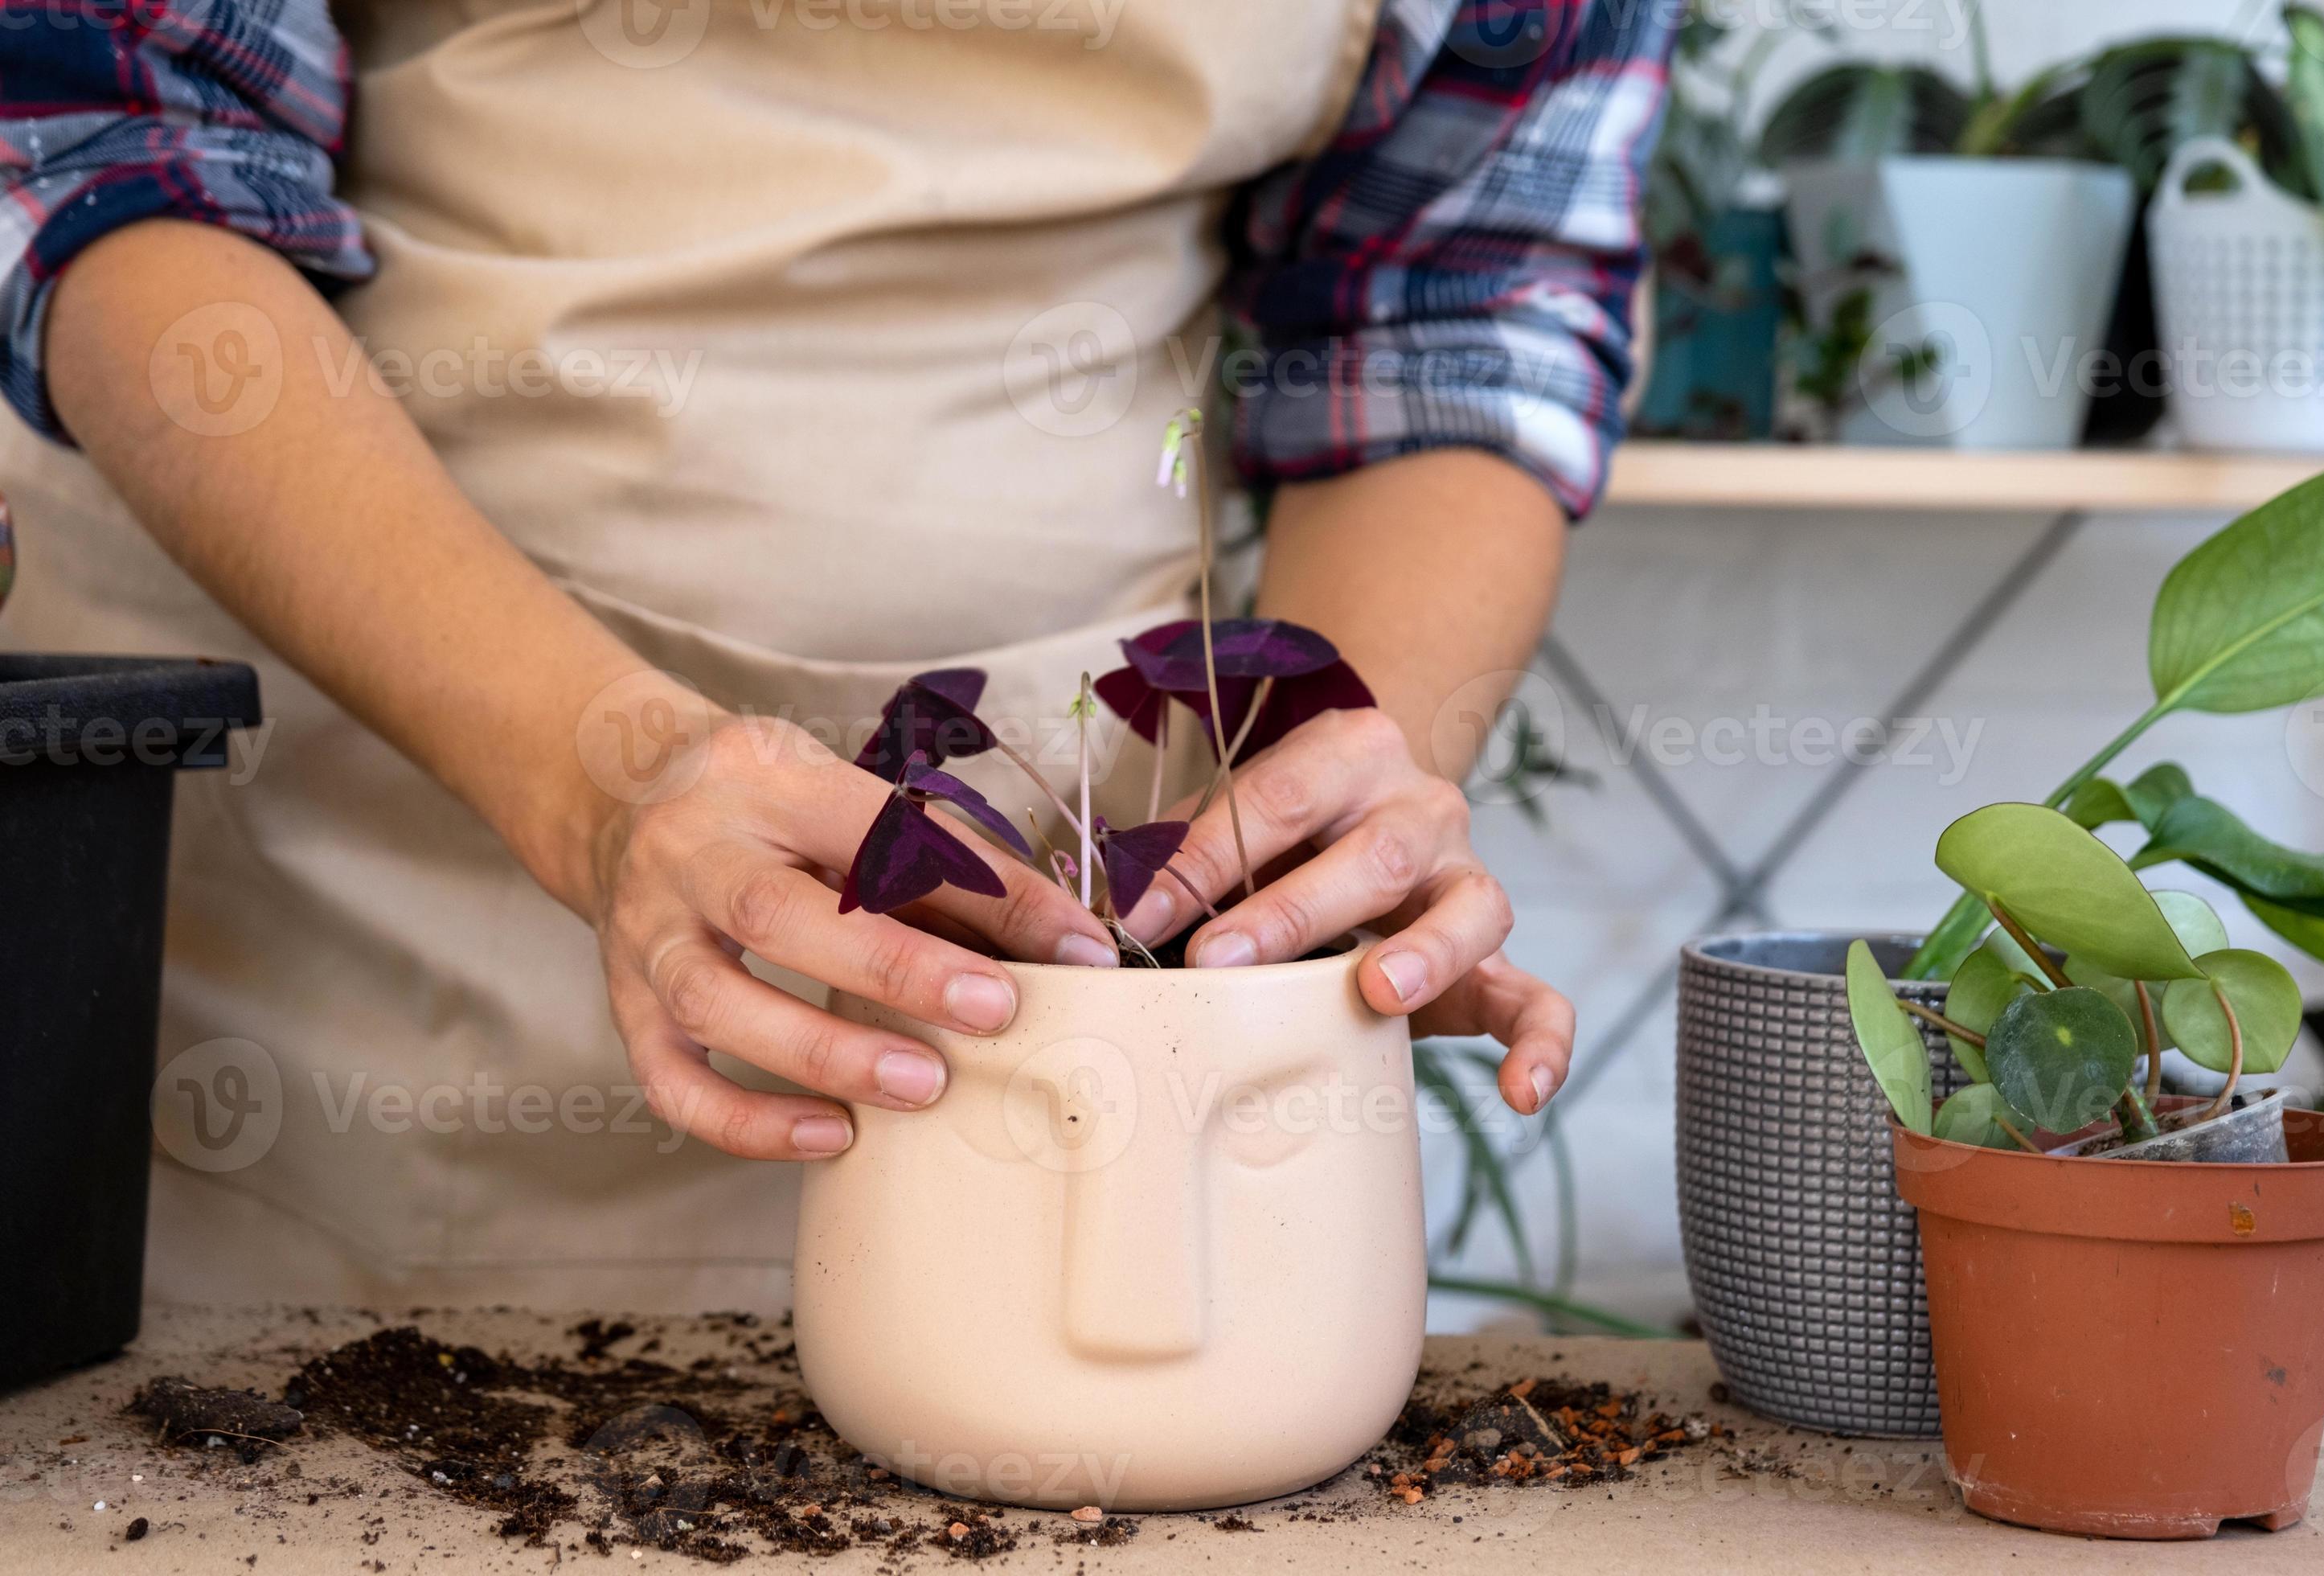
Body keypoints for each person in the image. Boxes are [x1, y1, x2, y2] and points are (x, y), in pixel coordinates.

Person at [0, 0, 1673, 1307]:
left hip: (1065, 903)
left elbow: (1454, 298)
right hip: (356, 844)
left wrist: (1314, 820)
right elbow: (102, 127)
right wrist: (601, 778)